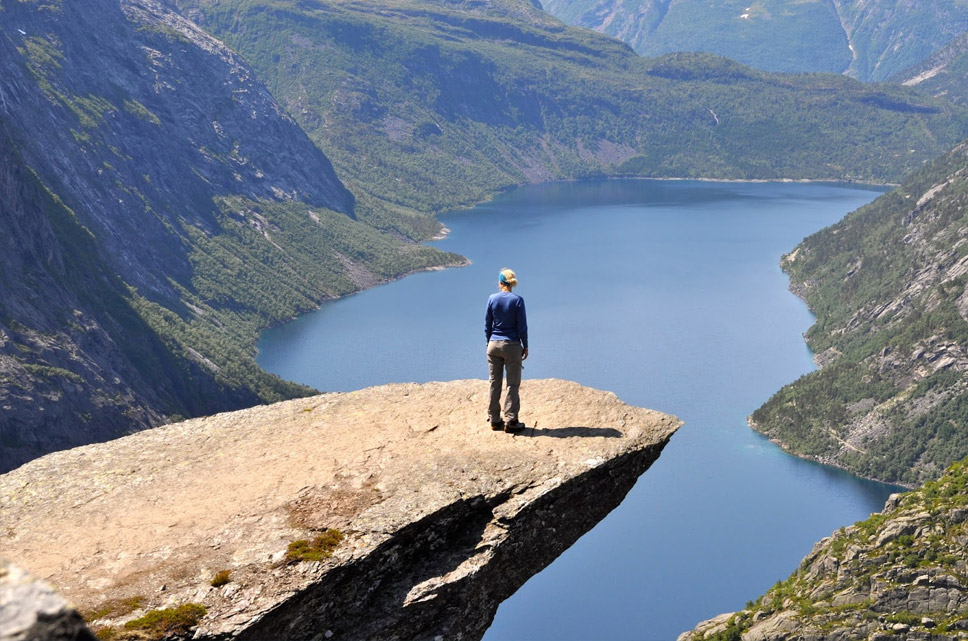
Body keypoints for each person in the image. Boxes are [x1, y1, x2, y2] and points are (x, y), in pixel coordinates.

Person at [485, 268, 529, 432]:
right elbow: (522, 327)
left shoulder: (492, 298)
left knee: (494, 382)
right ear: (512, 284)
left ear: (500, 283)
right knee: (512, 384)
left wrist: (489, 342)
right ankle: (511, 421)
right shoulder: (517, 300)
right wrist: (525, 346)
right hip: (512, 346)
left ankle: (495, 420)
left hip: (493, 345)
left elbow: (487, 324)